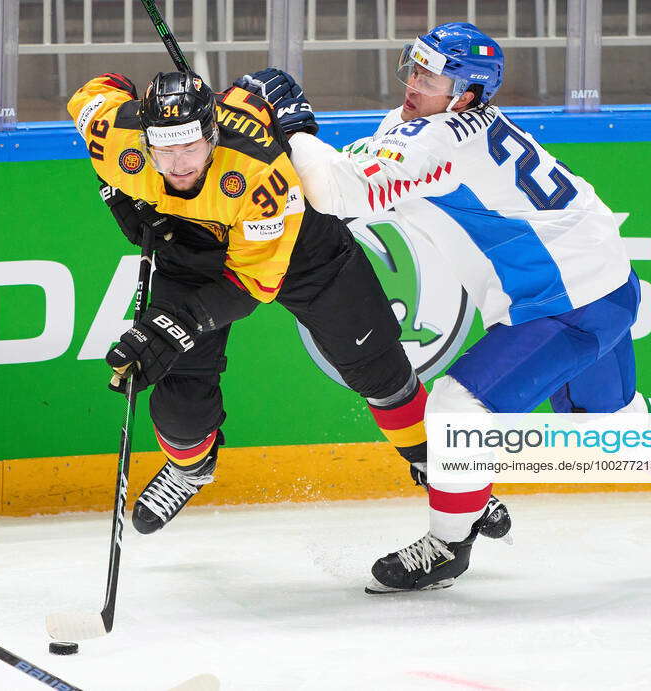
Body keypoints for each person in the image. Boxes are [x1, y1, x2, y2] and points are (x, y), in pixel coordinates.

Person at [234, 22, 651, 593]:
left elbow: (336, 191)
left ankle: (448, 545)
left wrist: (289, 125)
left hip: (563, 300)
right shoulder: (430, 129)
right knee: (605, 417)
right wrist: (286, 140)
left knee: (455, 408)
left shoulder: (436, 142)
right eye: (414, 69)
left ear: (465, 94)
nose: (413, 84)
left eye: (430, 78)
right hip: (603, 282)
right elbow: (349, 182)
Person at [66, 70, 513, 542]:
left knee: (380, 371)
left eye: (191, 148)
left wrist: (172, 326)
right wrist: (121, 196)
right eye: (164, 149)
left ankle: (440, 470)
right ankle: (189, 469)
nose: (178, 165)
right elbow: (95, 89)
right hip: (190, 252)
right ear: (143, 138)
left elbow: (251, 284)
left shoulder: (259, 171)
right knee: (180, 412)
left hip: (301, 250)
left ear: (212, 135)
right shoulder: (115, 137)